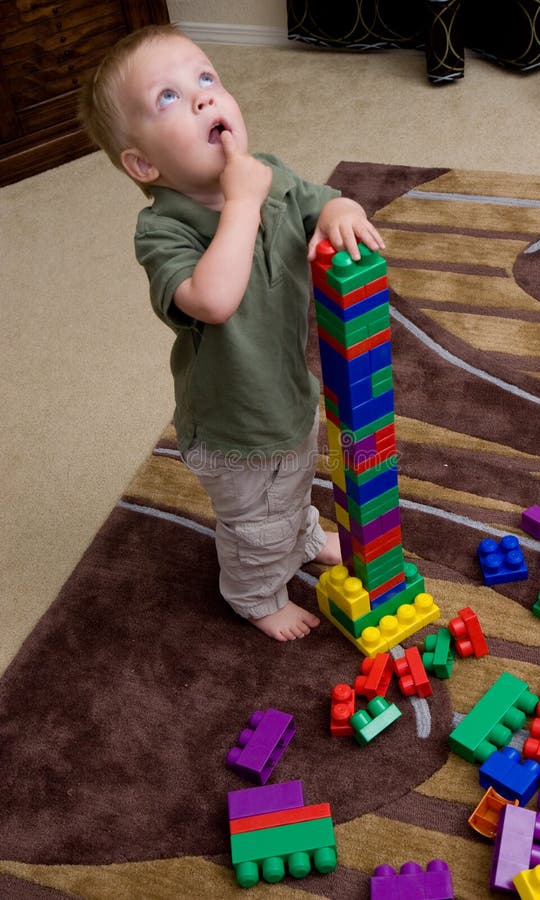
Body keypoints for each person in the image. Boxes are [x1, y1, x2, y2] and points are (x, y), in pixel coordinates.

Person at [79, 24, 385, 641]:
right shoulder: (162, 230)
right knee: (255, 522)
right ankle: (252, 593)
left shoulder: (266, 173)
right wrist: (241, 205)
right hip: (232, 423)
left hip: (287, 390)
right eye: (168, 97)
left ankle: (298, 534)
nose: (201, 98)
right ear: (143, 163)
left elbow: (318, 200)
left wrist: (340, 209)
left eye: (206, 79)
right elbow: (212, 299)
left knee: (297, 474)